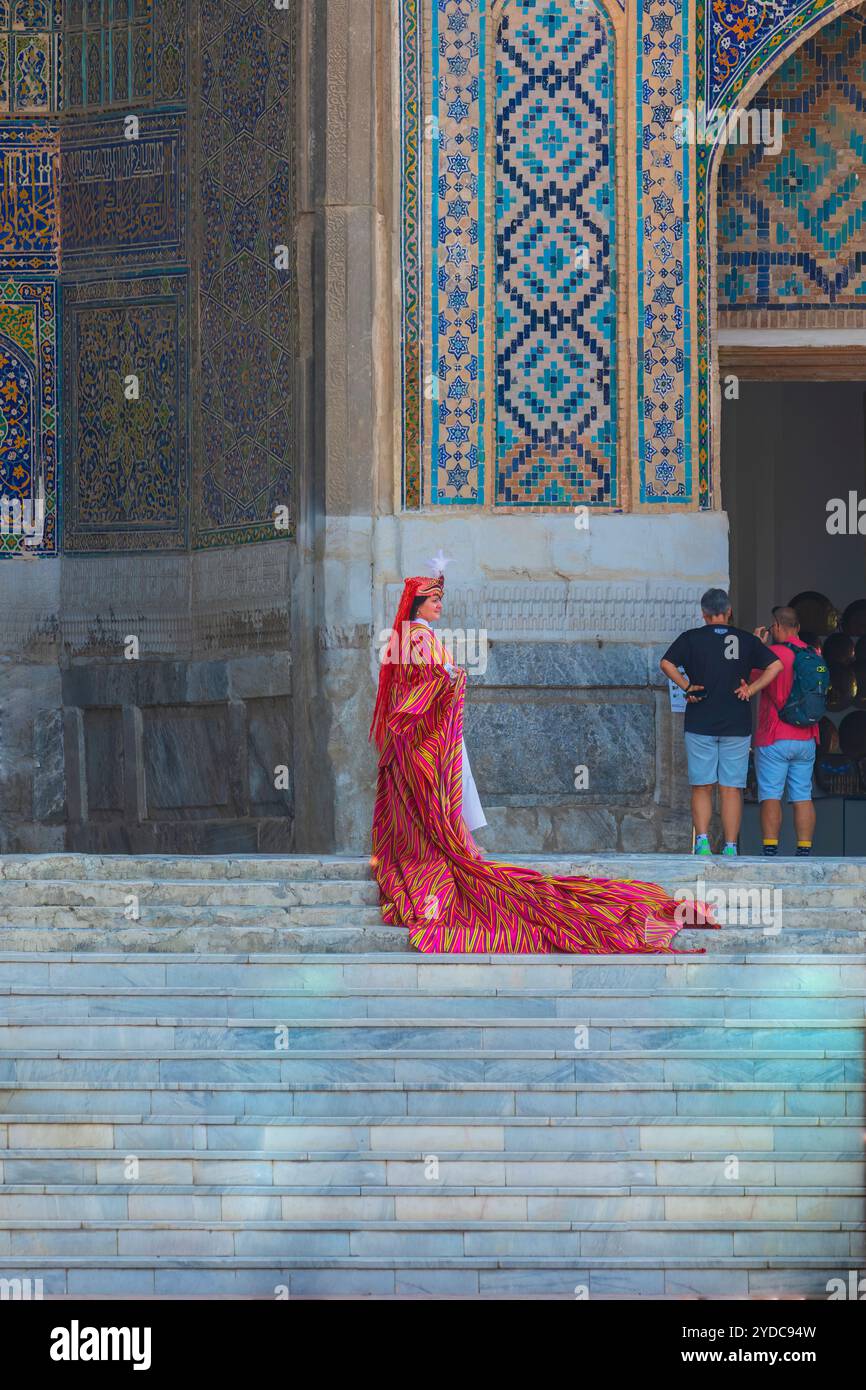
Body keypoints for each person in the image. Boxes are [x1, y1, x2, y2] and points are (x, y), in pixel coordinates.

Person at [370, 572, 718, 953]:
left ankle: (442, 845)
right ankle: (442, 848)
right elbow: (423, 685)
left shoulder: (416, 636)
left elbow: (420, 685)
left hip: (431, 736)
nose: (439, 603)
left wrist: (450, 680)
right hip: (429, 738)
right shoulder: (418, 637)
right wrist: (454, 679)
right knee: (437, 798)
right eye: (433, 598)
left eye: (439, 597)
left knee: (434, 800)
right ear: (417, 603)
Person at [661, 588, 783, 856]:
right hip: (736, 723)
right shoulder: (745, 640)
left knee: (702, 786)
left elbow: (666, 663)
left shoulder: (691, 638)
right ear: (728, 612)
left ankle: (702, 842)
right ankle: (730, 846)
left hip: (700, 721)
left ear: (704, 614)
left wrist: (688, 686)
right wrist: (751, 690)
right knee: (731, 788)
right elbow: (776, 666)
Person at [750, 607, 821, 857]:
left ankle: (770, 850)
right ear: (798, 627)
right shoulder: (814, 653)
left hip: (775, 735)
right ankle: (804, 850)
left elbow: (751, 681)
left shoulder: (771, 654)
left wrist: (757, 646)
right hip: (806, 736)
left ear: (776, 626)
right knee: (802, 794)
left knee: (770, 793)